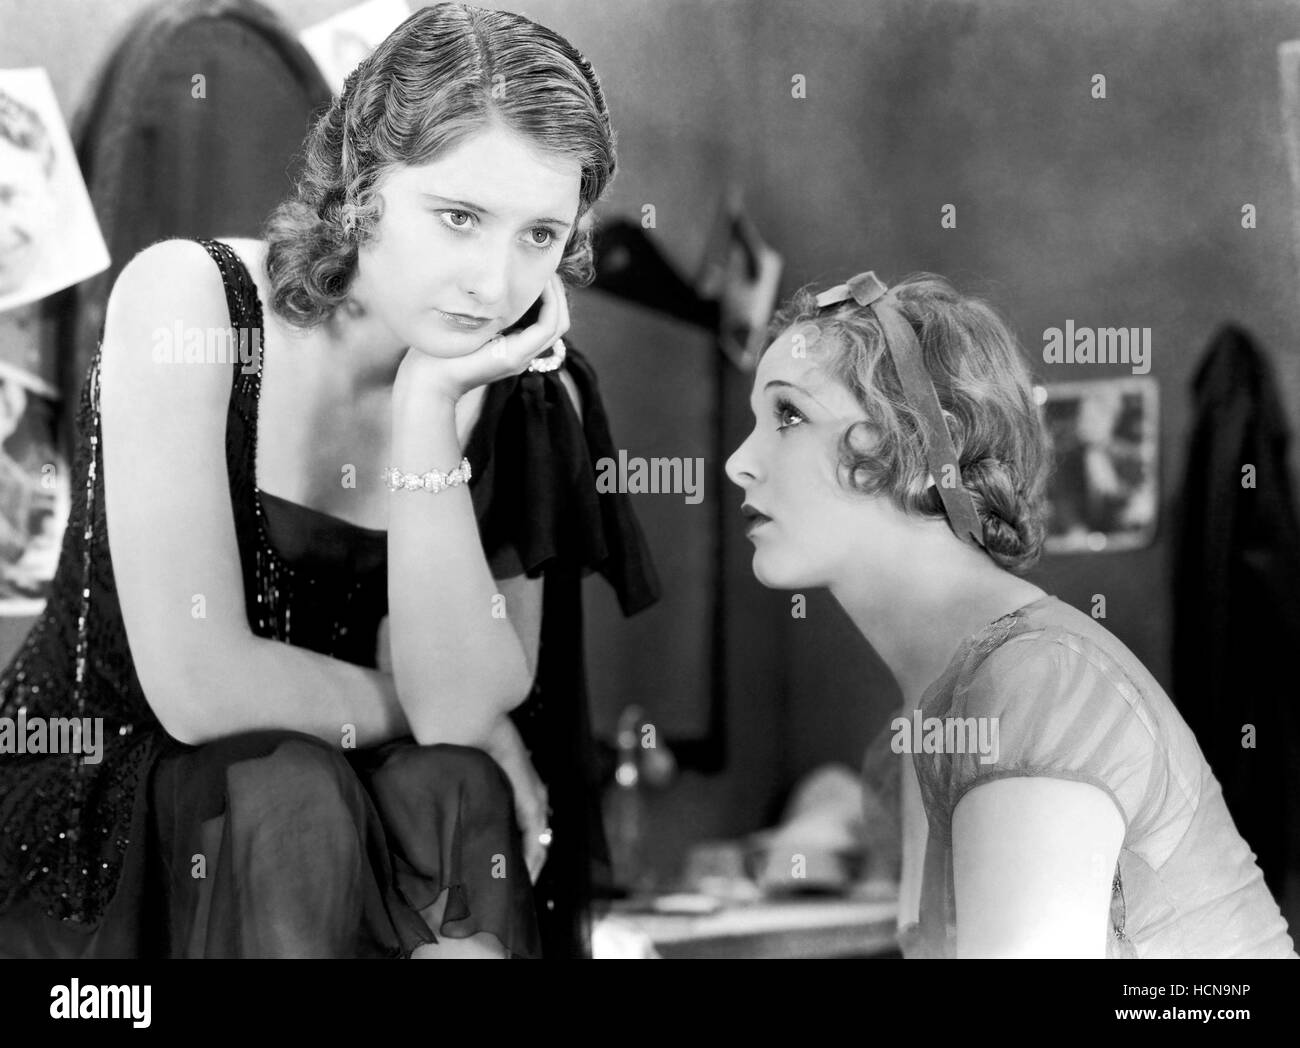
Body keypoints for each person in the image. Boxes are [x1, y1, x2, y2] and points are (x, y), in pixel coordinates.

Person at [0, 2, 658, 959]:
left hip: (318, 829)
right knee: (290, 789)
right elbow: (197, 688)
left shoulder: (516, 387)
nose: (493, 280)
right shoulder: (191, 300)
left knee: (454, 789)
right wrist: (429, 709)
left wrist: (430, 406)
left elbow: (458, 712)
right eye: (461, 216)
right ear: (362, 189)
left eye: (539, 235)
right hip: (93, 830)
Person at [725, 269, 1296, 958]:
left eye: (788, 415)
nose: (737, 463)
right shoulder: (940, 708)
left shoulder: (1032, 684)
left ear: (911, 447)